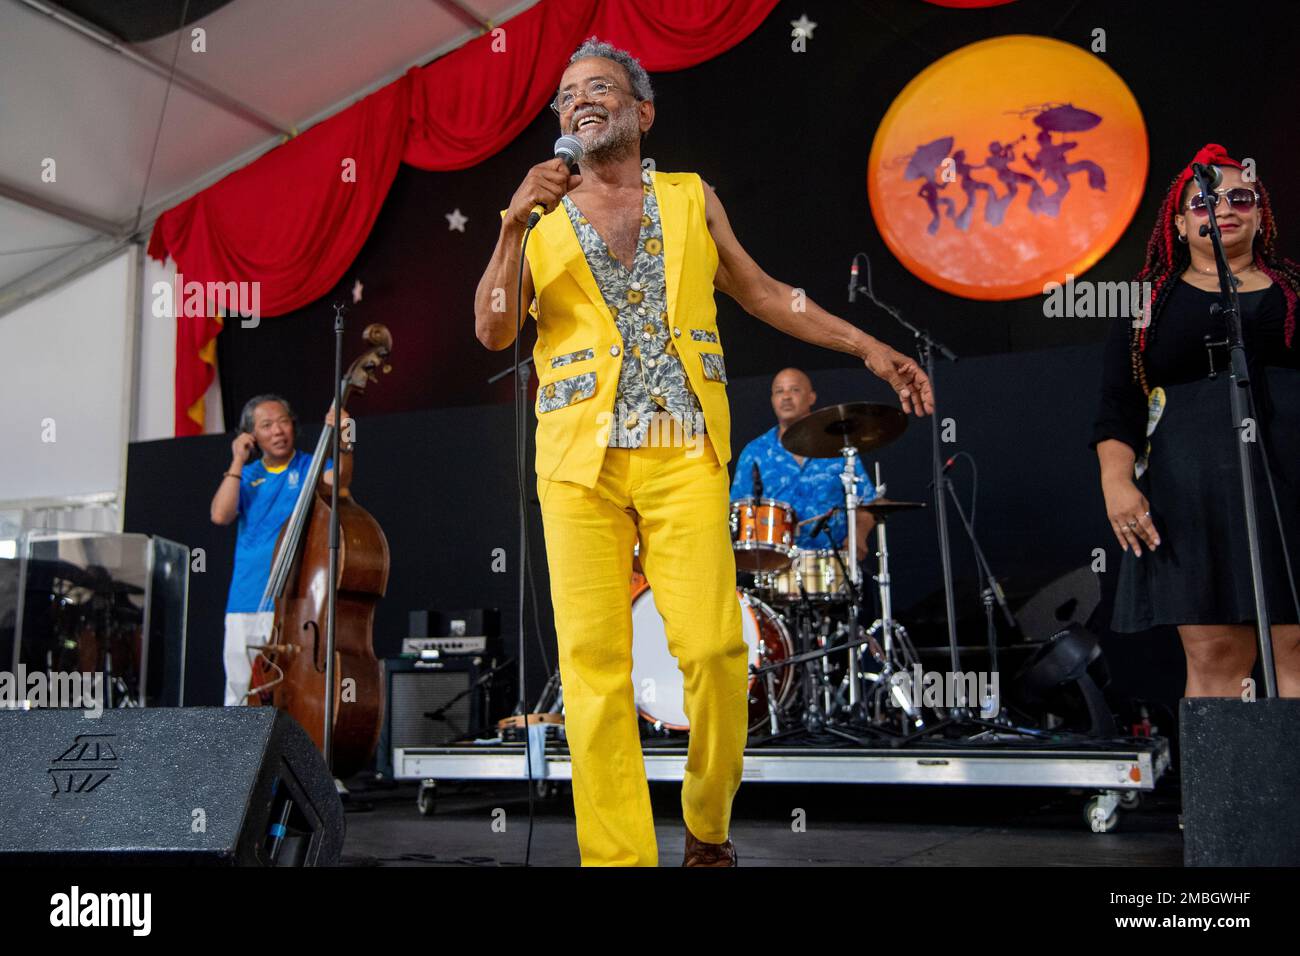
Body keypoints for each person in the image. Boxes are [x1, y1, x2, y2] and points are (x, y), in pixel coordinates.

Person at [474, 37, 931, 868]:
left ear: (642, 112)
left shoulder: (688, 198)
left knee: (721, 651)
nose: (581, 99)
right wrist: (509, 226)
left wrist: (867, 347)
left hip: (683, 449)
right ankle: (620, 859)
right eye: (569, 92)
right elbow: (494, 327)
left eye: (601, 88)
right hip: (580, 461)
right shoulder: (536, 221)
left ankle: (707, 826)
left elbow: (765, 294)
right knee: (594, 669)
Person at [1091, 143, 1300, 697]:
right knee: (1214, 651)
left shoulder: (1294, 292)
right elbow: (1119, 405)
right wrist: (1117, 483)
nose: (1224, 208)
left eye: (1241, 197)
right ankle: (1226, 786)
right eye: (1205, 201)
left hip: (1290, 482)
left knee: (1294, 646)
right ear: (1180, 223)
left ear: (1261, 214)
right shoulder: (1146, 302)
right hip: (1191, 487)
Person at [209, 395, 352, 705]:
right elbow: (220, 515)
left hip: (290, 604)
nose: (277, 431)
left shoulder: (310, 466)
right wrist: (237, 459)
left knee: (288, 694)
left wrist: (345, 434)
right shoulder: (247, 476)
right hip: (245, 599)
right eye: (266, 425)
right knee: (238, 695)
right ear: (251, 435)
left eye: (283, 422)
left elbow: (341, 480)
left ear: (294, 426)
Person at [730, 367, 877, 557]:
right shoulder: (755, 452)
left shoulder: (838, 448)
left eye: (795, 390)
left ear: (812, 397)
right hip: (774, 567)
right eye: (779, 391)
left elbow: (868, 503)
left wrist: (858, 536)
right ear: (772, 400)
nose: (786, 397)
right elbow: (736, 511)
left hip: (834, 563)